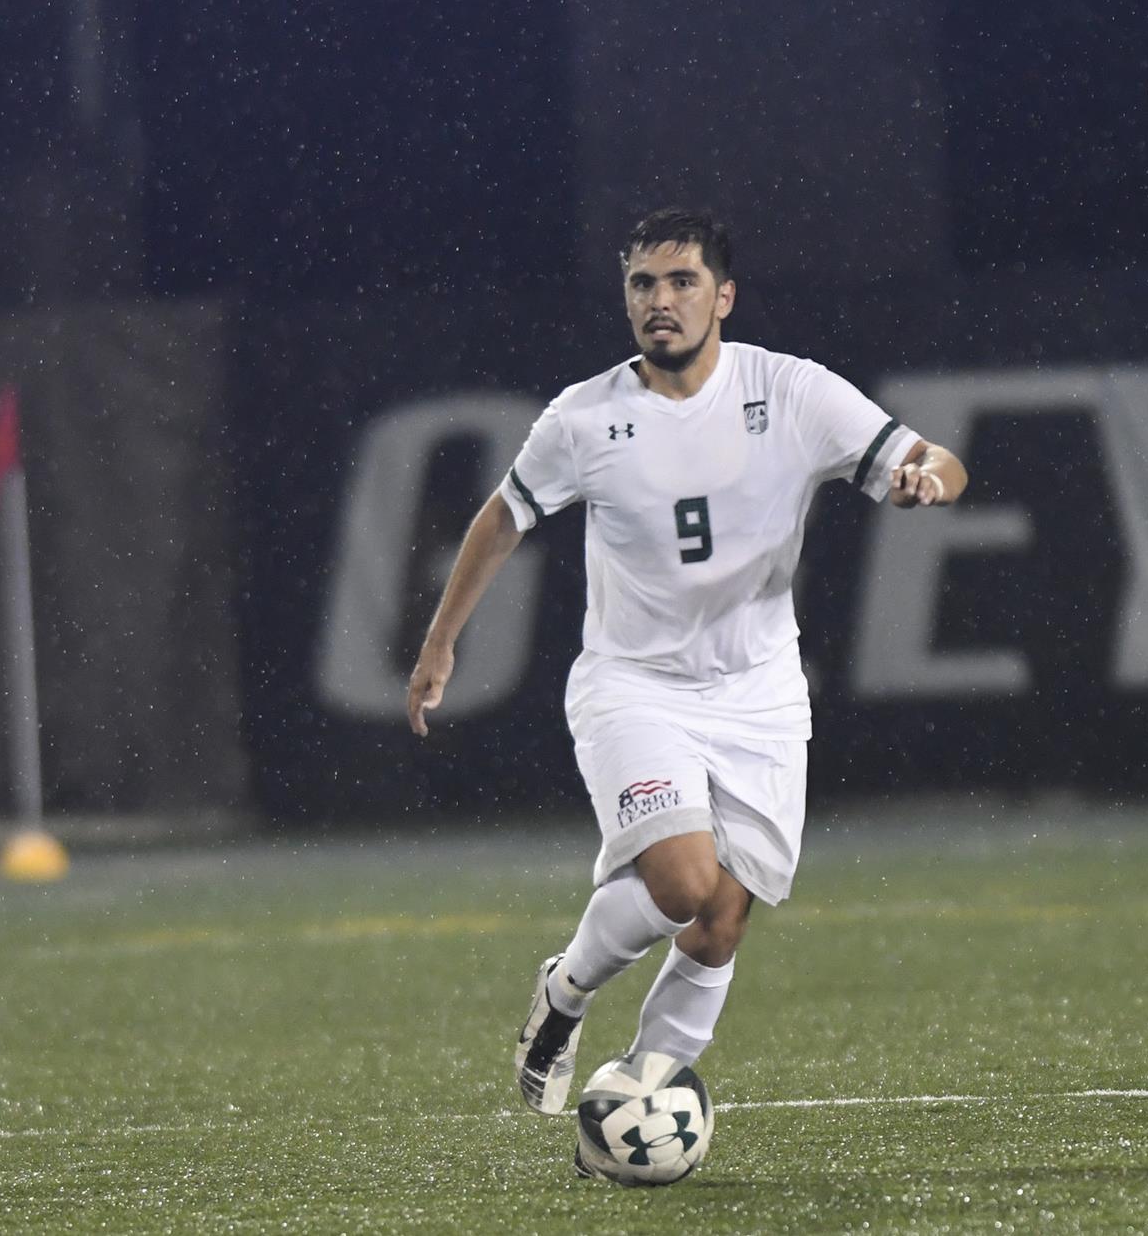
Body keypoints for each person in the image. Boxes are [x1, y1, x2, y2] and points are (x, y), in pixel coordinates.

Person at [404, 208, 969, 1142]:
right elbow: (502, 516)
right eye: (642, 283)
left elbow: (931, 456)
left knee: (721, 921)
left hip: (759, 693)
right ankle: (566, 990)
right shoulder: (584, 417)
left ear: (724, 296)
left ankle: (640, 1093)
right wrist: (440, 642)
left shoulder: (790, 391)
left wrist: (929, 480)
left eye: (681, 282)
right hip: (635, 685)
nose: (660, 301)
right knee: (681, 881)